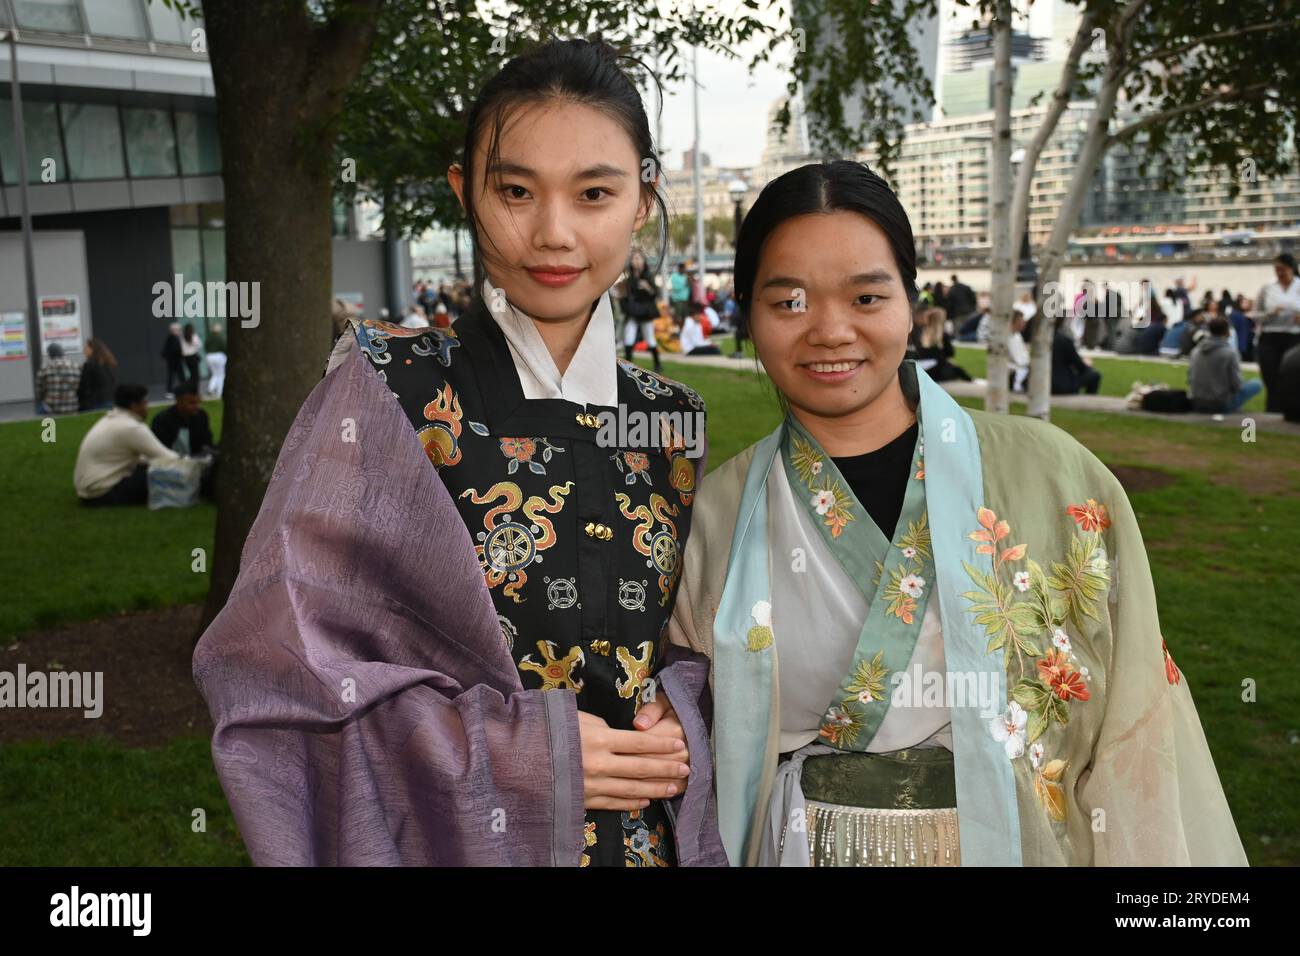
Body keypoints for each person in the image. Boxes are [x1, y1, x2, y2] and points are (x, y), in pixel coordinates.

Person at [194, 37, 724, 868]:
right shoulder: (388, 393)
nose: (553, 233)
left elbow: (691, 644)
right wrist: (517, 756)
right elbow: (276, 666)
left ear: (644, 201)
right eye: (515, 190)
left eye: (594, 193)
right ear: (463, 192)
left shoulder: (668, 421)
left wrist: (679, 711)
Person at [655, 159, 1245, 867]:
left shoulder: (1054, 476)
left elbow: (1137, 728)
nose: (830, 330)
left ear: (912, 300)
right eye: (789, 302)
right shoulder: (716, 515)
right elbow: (688, 735)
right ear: (746, 314)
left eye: (867, 298)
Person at [74, 384, 182, 506]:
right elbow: (167, 457)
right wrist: (195, 463)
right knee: (163, 474)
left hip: (87, 492)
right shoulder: (132, 427)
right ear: (134, 405)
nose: (148, 407)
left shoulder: (110, 420)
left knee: (149, 467)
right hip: (103, 493)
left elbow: (140, 459)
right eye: (145, 403)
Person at [151, 381, 219, 498]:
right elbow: (160, 451)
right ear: (178, 401)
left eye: (198, 402)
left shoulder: (201, 416)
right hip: (173, 465)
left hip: (198, 460)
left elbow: (207, 442)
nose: (196, 407)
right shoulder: (163, 420)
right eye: (191, 403)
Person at [1253, 253, 1300, 413]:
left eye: (1283, 269)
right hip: (1270, 336)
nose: (1279, 273)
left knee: (1291, 377)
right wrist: (1270, 314)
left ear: (1292, 269)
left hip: (1294, 336)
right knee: (1270, 377)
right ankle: (1272, 411)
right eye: (1276, 269)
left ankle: (1292, 410)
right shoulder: (1267, 288)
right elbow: (1255, 315)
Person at [1187, 317, 1263, 413]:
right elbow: (1236, 385)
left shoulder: (1196, 351)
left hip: (1196, 402)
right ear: (1227, 331)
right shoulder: (1229, 353)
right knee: (1256, 383)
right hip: (1220, 404)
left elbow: (1190, 378)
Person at [620, 249, 663, 371]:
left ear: (644, 261)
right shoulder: (629, 278)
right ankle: (627, 367)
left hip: (645, 312)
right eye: (634, 258)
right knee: (629, 337)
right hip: (632, 312)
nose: (636, 261)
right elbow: (624, 295)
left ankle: (657, 364)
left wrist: (648, 288)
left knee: (650, 338)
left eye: (639, 258)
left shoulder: (648, 276)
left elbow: (655, 294)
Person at [911, 306, 970, 382]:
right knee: (957, 370)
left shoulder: (920, 334)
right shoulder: (942, 335)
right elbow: (950, 353)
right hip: (937, 369)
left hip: (921, 367)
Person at [1051, 315, 1102, 394]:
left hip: (1044, 382)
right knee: (1094, 375)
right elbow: (1079, 367)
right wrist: (1087, 364)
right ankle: (1089, 401)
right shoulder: (1064, 341)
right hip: (1061, 385)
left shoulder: (1039, 340)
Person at [35, 342, 82, 415]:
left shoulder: (44, 368)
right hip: (72, 407)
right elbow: (80, 387)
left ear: (50, 354)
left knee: (39, 407)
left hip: (51, 410)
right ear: (63, 353)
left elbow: (39, 391)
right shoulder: (76, 366)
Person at [77, 338, 117, 411]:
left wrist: (81, 402)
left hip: (94, 403)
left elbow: (83, 387)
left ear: (93, 349)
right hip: (110, 400)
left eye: (86, 347)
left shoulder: (89, 365)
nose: (84, 350)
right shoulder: (108, 364)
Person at [1008, 311, 1031, 392]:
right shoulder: (1008, 337)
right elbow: (1019, 360)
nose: (1024, 324)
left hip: (1021, 366)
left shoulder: (1017, 335)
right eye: (1021, 321)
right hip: (1015, 369)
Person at [160, 322, 184, 395]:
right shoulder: (172, 338)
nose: (180, 331)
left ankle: (177, 389)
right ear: (174, 330)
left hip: (174, 360)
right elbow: (175, 350)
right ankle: (170, 391)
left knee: (177, 375)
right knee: (175, 375)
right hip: (174, 360)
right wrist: (181, 353)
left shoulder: (174, 338)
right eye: (179, 330)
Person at [204, 323, 227, 398]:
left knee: (215, 374)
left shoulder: (209, 337)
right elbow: (224, 347)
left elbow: (206, 347)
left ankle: (211, 388)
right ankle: (219, 391)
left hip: (209, 357)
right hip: (218, 356)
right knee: (221, 374)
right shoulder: (219, 338)